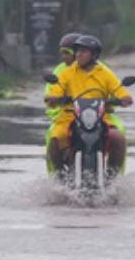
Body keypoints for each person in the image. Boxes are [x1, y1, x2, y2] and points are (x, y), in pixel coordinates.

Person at [44, 33, 132, 175]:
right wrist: (54, 97)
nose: (78, 55)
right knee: (54, 140)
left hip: (100, 118)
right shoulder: (66, 73)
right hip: (69, 118)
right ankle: (58, 178)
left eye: (83, 51)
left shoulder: (105, 73)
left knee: (119, 138)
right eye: (77, 51)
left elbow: (118, 89)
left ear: (94, 55)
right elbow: (56, 89)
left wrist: (124, 98)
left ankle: (113, 178)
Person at [43, 32, 82, 170]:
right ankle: (57, 176)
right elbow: (51, 95)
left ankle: (115, 174)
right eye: (62, 52)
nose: (63, 56)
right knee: (53, 139)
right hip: (65, 115)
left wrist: (117, 100)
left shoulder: (100, 70)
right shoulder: (60, 71)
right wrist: (57, 101)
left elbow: (113, 90)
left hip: (95, 115)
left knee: (119, 134)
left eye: (67, 52)